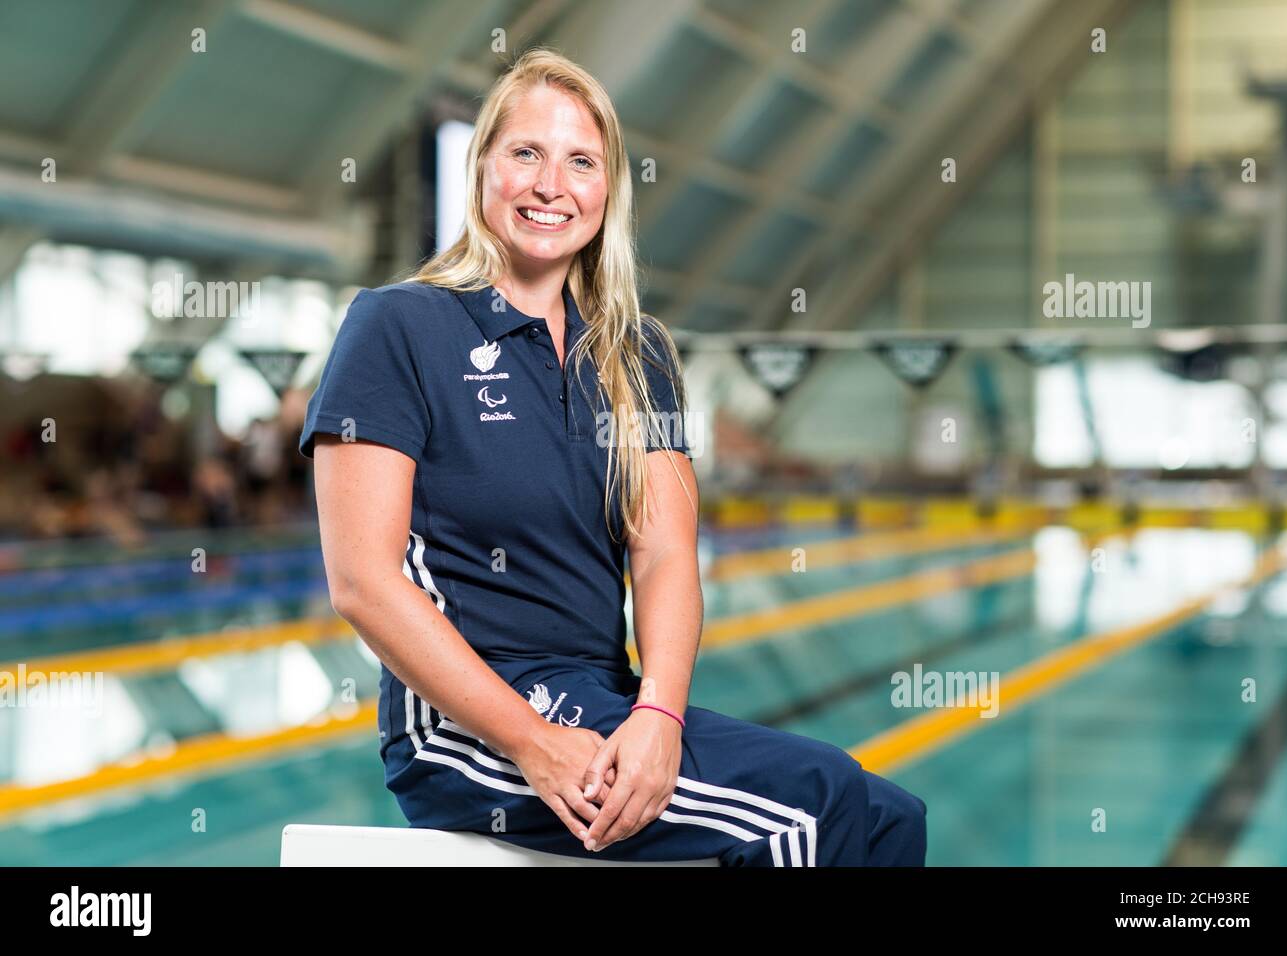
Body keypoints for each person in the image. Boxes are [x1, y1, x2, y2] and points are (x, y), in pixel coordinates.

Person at [298, 48, 925, 866]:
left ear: (608, 190)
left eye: (580, 162)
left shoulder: (637, 356)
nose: (551, 185)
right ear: (482, 166)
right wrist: (532, 740)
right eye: (526, 153)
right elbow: (363, 585)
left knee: (891, 816)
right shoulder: (399, 326)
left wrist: (659, 718)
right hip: (465, 728)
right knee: (814, 805)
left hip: (605, 694)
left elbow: (664, 554)